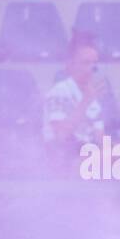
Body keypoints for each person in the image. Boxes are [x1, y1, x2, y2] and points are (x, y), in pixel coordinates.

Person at [43, 35, 108, 179]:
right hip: (62, 154)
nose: (91, 68)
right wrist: (86, 101)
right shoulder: (59, 91)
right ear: (70, 65)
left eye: (94, 63)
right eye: (86, 63)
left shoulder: (93, 95)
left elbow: (100, 137)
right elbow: (61, 135)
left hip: (87, 153)